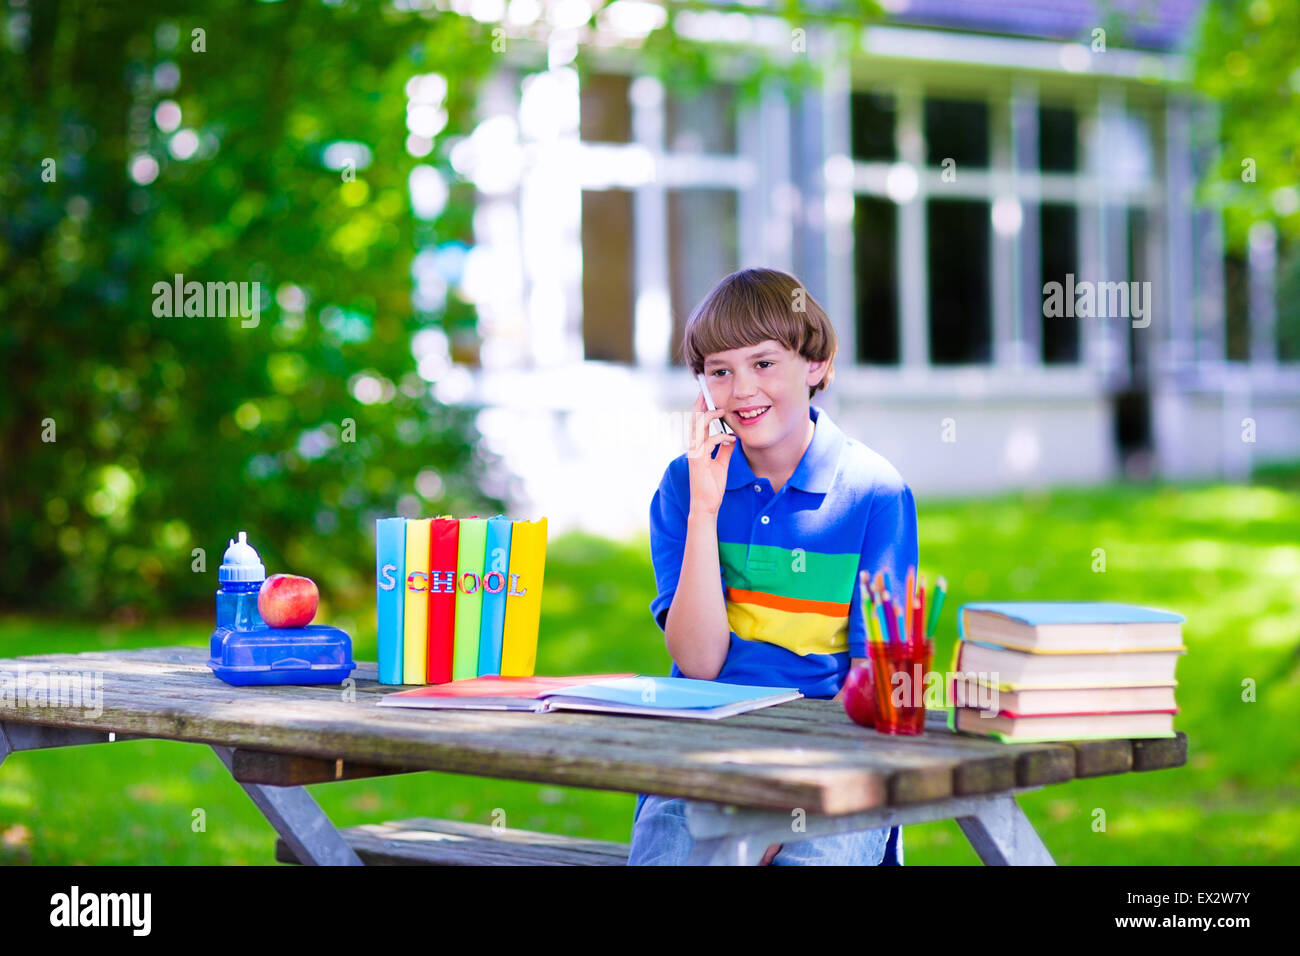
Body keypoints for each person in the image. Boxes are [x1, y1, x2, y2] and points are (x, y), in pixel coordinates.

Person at [627, 267, 917, 866]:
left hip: (837, 758)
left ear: (813, 364)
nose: (742, 390)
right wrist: (705, 510)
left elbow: (879, 686)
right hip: (708, 749)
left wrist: (783, 808)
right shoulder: (685, 486)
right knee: (674, 845)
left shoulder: (874, 493)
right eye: (720, 372)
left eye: (763, 364)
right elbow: (700, 664)